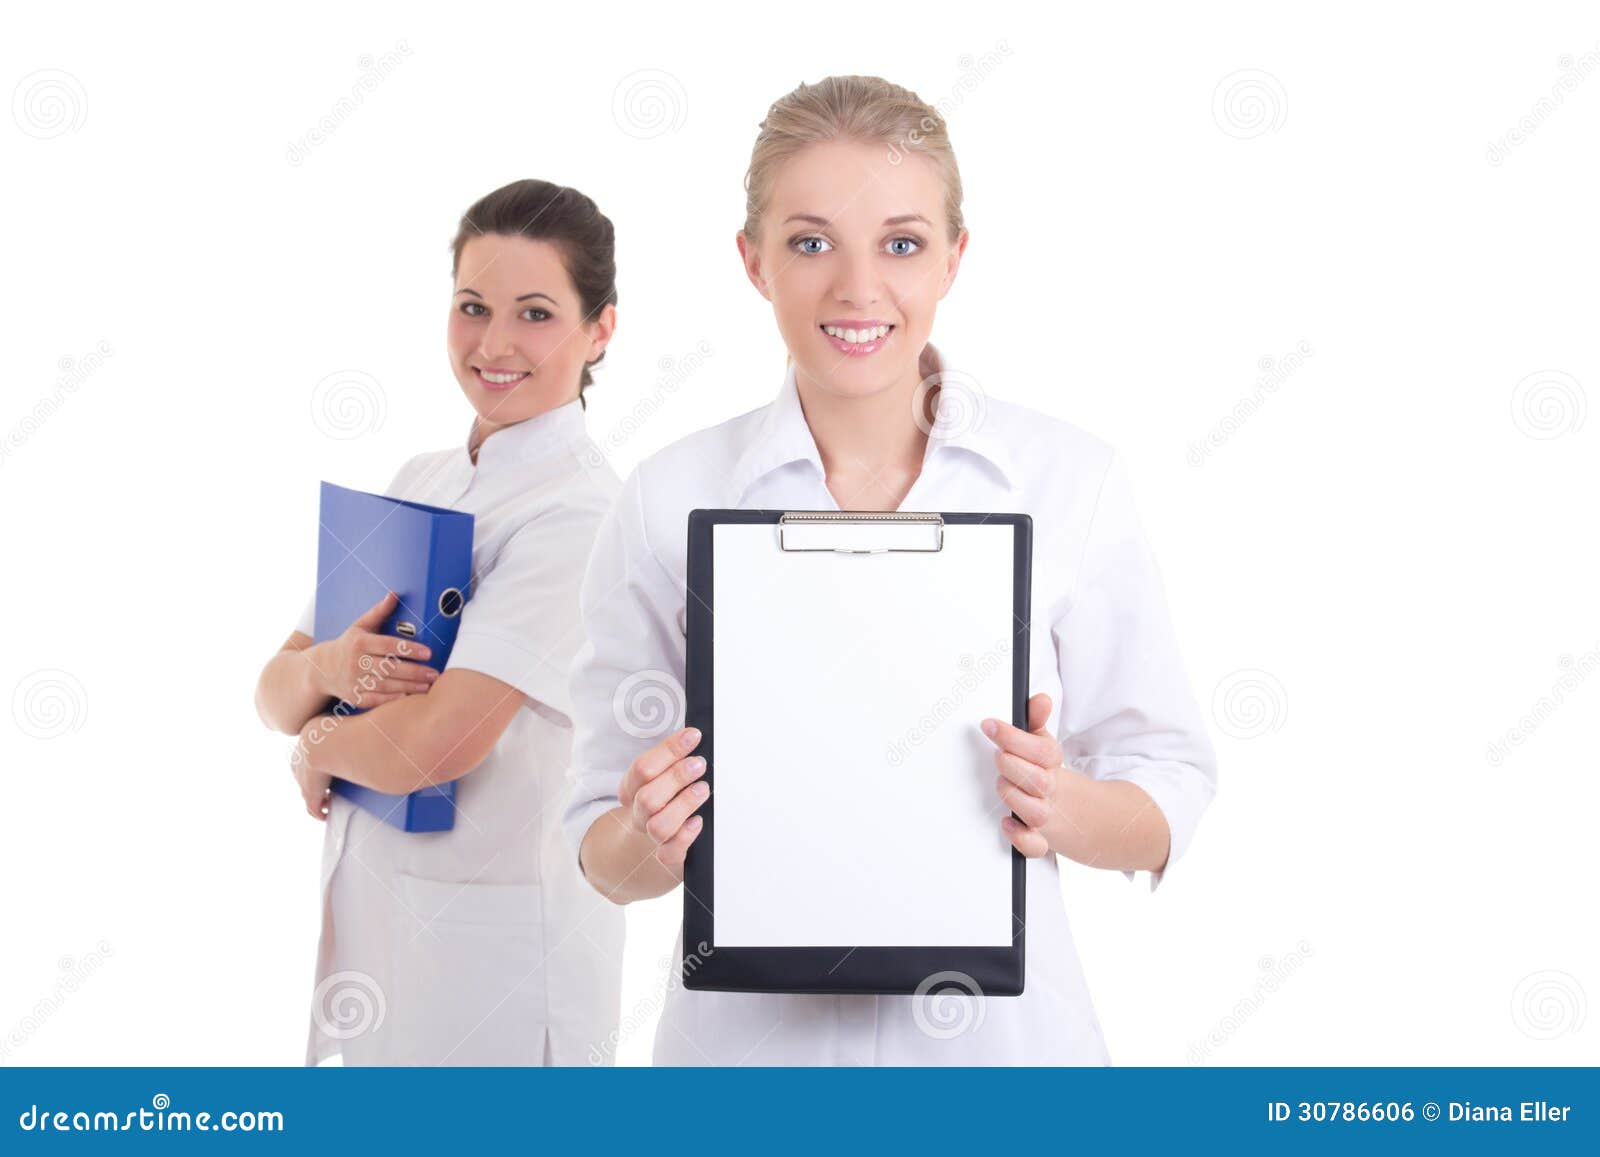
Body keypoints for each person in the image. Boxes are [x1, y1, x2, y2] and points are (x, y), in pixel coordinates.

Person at [562, 77, 1218, 1064]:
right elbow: (600, 856)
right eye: (811, 241)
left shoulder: (1070, 483)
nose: (858, 289)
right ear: (753, 262)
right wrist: (651, 834)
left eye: (902, 243)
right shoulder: (666, 499)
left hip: (1000, 1064)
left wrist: (1061, 803)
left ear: (955, 258)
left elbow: (1169, 785)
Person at [253, 179, 626, 1066]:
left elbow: (437, 743)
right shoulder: (418, 479)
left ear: (600, 328)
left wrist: (319, 746)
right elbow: (274, 685)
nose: (494, 343)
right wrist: (330, 670)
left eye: (535, 313)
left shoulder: (580, 513)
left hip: (498, 970)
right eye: (472, 306)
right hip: (386, 942)